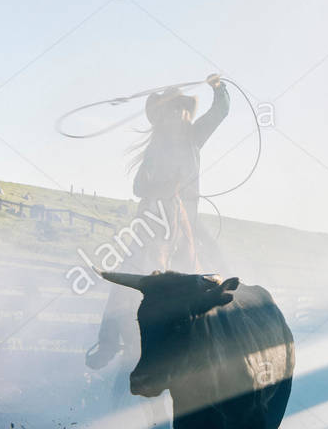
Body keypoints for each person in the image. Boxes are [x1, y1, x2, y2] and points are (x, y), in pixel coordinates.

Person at [86, 73, 229, 370]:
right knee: (124, 272)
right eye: (173, 108)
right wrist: (161, 187)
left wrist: (219, 88)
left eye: (181, 108)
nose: (178, 113)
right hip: (151, 220)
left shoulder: (194, 136)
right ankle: (108, 341)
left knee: (220, 264)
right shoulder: (157, 148)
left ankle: (225, 336)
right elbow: (138, 186)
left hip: (188, 216)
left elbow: (220, 112)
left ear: (186, 112)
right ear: (164, 115)